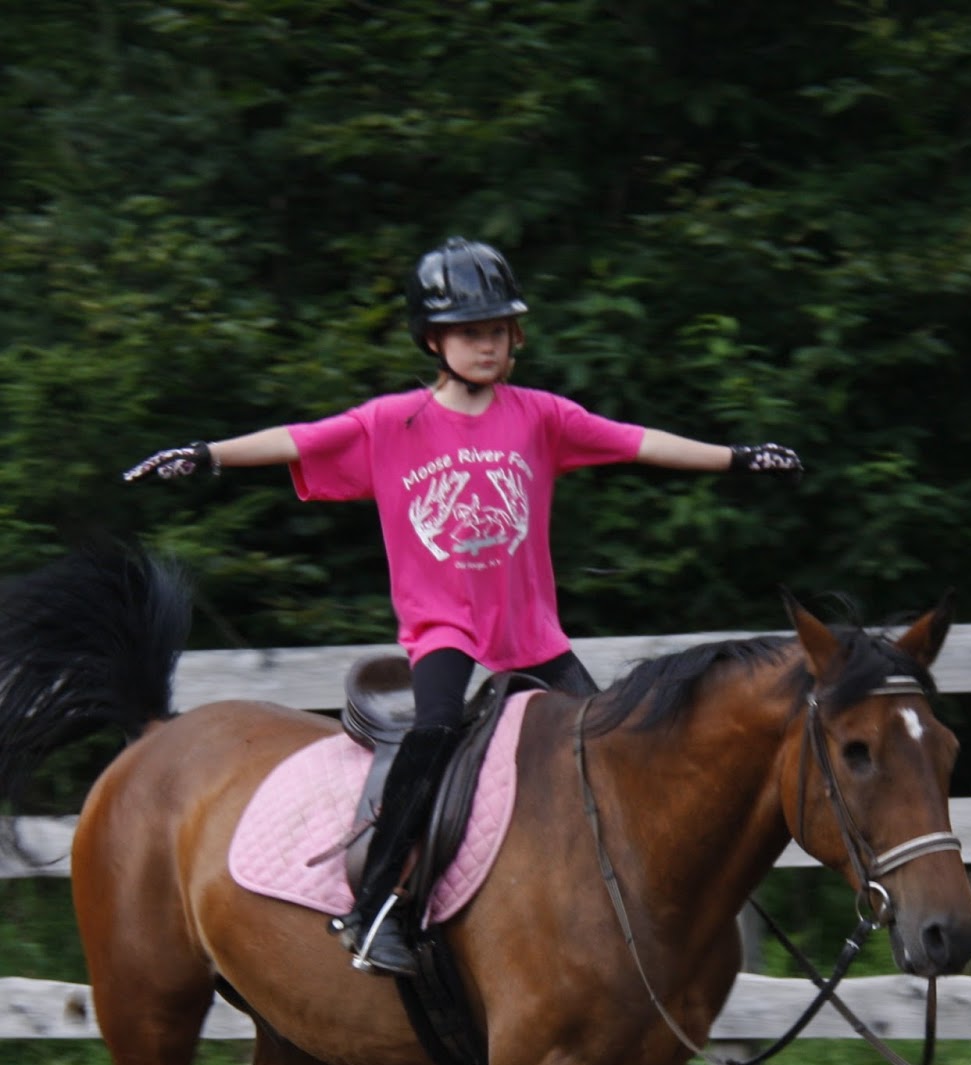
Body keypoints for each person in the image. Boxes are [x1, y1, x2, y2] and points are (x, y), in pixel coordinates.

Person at [125, 237, 802, 977]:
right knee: (433, 738)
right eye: (469, 332)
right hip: (447, 634)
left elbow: (635, 442)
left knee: (614, 754)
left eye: (497, 330)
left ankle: (623, 916)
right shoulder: (390, 424)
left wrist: (735, 457)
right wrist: (206, 454)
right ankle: (376, 905)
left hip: (531, 638)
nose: (487, 345)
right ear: (433, 339)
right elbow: (298, 440)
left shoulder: (539, 415)